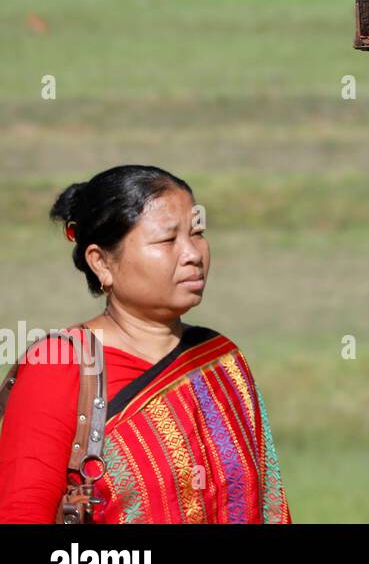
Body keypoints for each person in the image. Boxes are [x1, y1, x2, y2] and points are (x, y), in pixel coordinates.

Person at [0, 165, 291, 524]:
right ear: (102, 263)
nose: (193, 254)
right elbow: (21, 513)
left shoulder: (220, 358)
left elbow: (269, 507)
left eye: (197, 233)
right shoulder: (59, 366)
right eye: (168, 240)